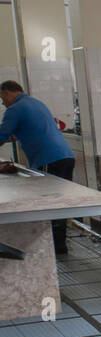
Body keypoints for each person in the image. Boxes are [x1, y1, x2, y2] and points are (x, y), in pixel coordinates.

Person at [0, 81, 76, 254]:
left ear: (6, 92)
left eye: (1, 98)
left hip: (49, 158)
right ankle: (59, 244)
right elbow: (25, 131)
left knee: (49, 202)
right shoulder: (35, 103)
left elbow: (2, 135)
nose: (2, 102)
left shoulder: (15, 109)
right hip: (65, 156)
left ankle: (55, 246)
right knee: (59, 202)